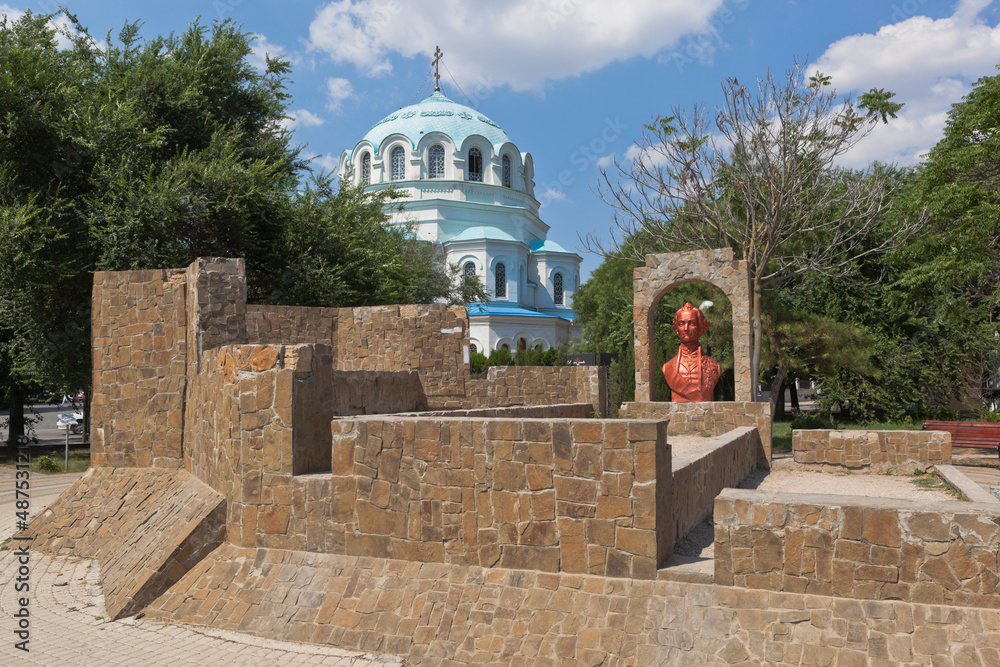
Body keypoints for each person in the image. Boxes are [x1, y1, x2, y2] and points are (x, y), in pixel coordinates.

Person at [662, 301, 721, 402]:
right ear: (676, 329)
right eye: (681, 324)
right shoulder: (668, 367)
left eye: (691, 323)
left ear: (701, 328)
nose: (685, 328)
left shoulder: (714, 366)